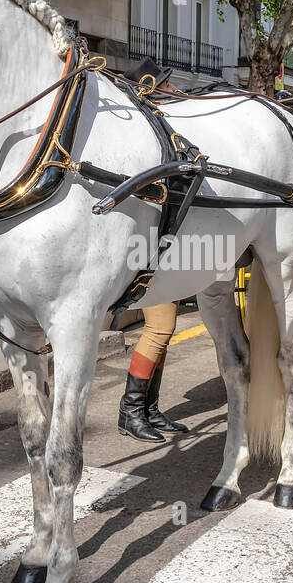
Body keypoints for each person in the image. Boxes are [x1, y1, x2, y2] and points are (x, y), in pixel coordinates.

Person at [116, 56, 189, 443]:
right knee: (159, 328)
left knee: (166, 326)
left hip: (166, 245)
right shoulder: (153, 142)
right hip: (150, 248)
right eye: (166, 86)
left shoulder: (164, 136)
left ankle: (149, 408)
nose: (174, 90)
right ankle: (130, 411)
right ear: (151, 93)